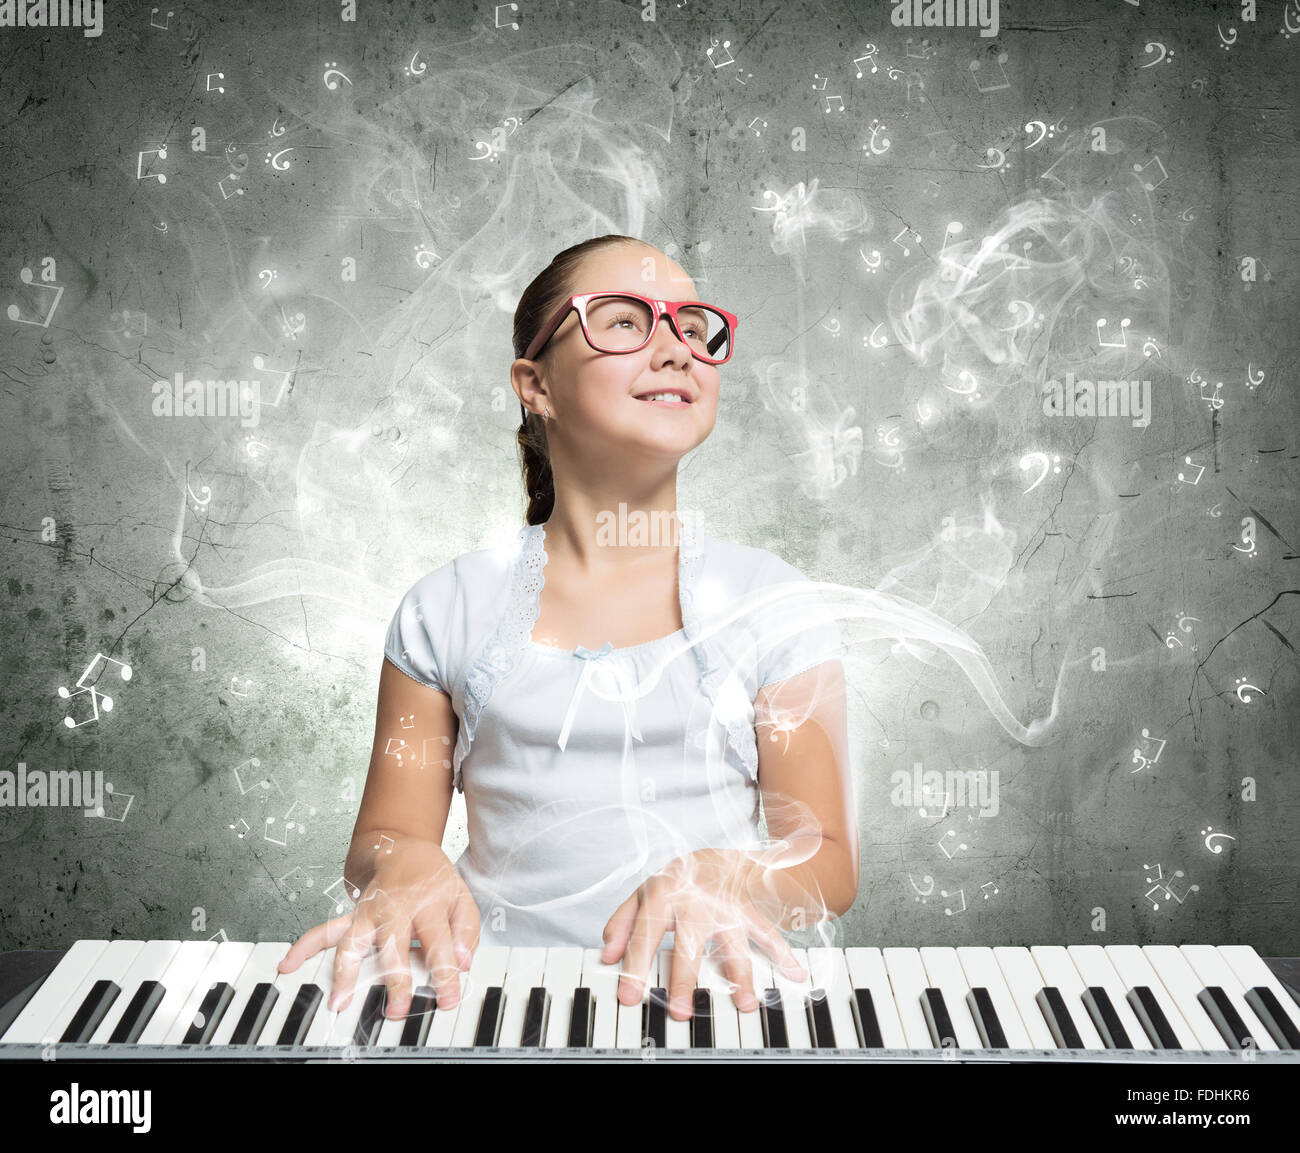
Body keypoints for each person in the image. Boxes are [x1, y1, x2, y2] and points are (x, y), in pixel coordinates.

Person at [278, 234, 857, 1028]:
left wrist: (730, 875)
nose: (676, 349)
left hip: (714, 1014)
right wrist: (402, 860)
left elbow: (825, 860)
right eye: (623, 322)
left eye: (693, 326)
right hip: (493, 1015)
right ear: (536, 384)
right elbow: (381, 837)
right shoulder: (443, 609)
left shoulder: (772, 604)